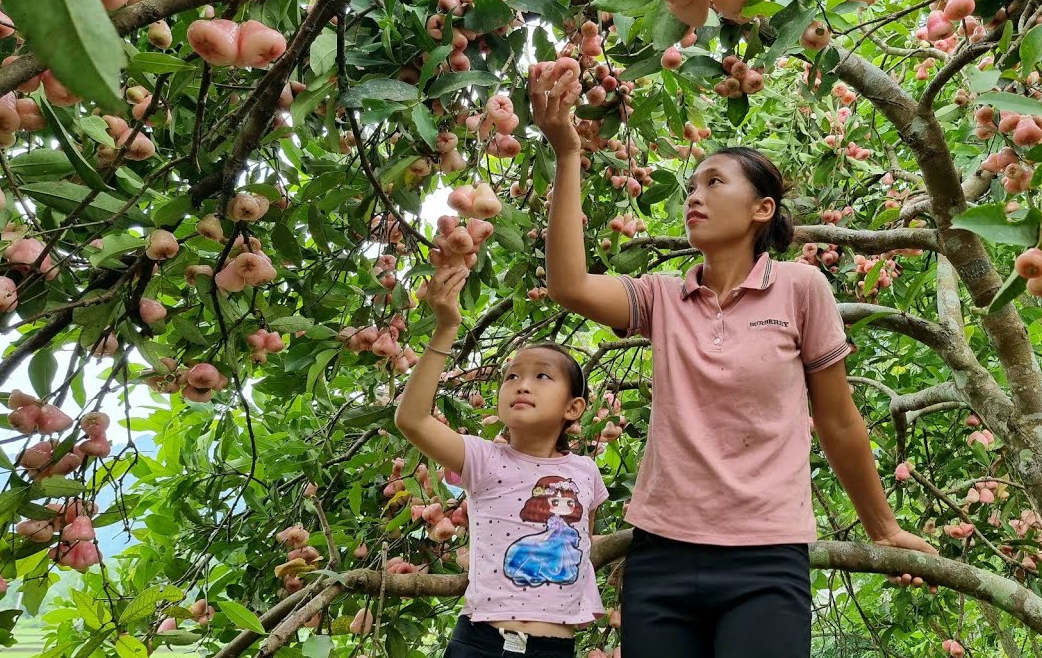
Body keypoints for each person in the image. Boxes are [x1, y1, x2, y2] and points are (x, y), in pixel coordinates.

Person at [529, 57, 937, 658]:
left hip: (765, 560)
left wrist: (883, 528)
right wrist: (567, 153)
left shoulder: (801, 288)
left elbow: (839, 419)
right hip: (661, 554)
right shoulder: (664, 297)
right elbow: (568, 284)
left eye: (714, 182)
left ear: (761, 209)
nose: (694, 195)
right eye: (692, 186)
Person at [394, 264, 608, 658]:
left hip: (556, 648)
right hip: (481, 642)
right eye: (510, 377)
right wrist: (445, 329)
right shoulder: (483, 457)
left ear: (574, 408)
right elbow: (412, 419)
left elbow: (583, 544)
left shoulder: (586, 471)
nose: (521, 383)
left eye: (542, 376)